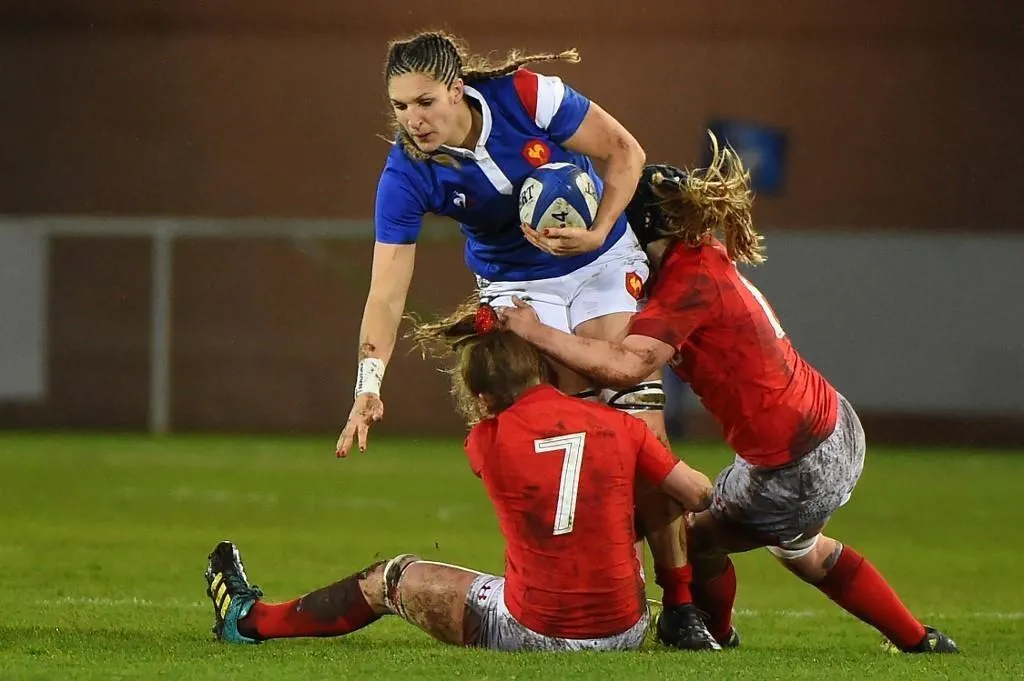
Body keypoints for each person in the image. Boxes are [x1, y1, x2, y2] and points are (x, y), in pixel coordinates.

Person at [499, 134, 959, 654]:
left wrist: (530, 328)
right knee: (802, 549)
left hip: (794, 461)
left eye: (620, 210)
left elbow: (626, 367)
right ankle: (920, 642)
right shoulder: (701, 255)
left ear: (643, 223)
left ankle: (712, 636)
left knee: (691, 540)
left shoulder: (685, 284)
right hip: (828, 425)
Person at [335, 31, 714, 648]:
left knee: (637, 418)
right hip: (515, 291)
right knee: (555, 433)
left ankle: (679, 600)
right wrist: (368, 385)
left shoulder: (525, 97)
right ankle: (584, 585)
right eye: (400, 107)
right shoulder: (406, 174)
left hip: (597, 260)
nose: (413, 120)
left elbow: (625, 152)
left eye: (424, 102)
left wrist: (597, 232)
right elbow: (385, 292)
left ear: (457, 89)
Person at [205, 304, 713, 651]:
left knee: (389, 579)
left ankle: (251, 622)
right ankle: (691, 612)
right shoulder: (621, 426)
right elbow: (699, 493)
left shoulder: (485, 442)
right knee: (652, 492)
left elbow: (523, 442)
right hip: (626, 629)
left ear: (484, 397)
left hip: (535, 631)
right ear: (542, 368)